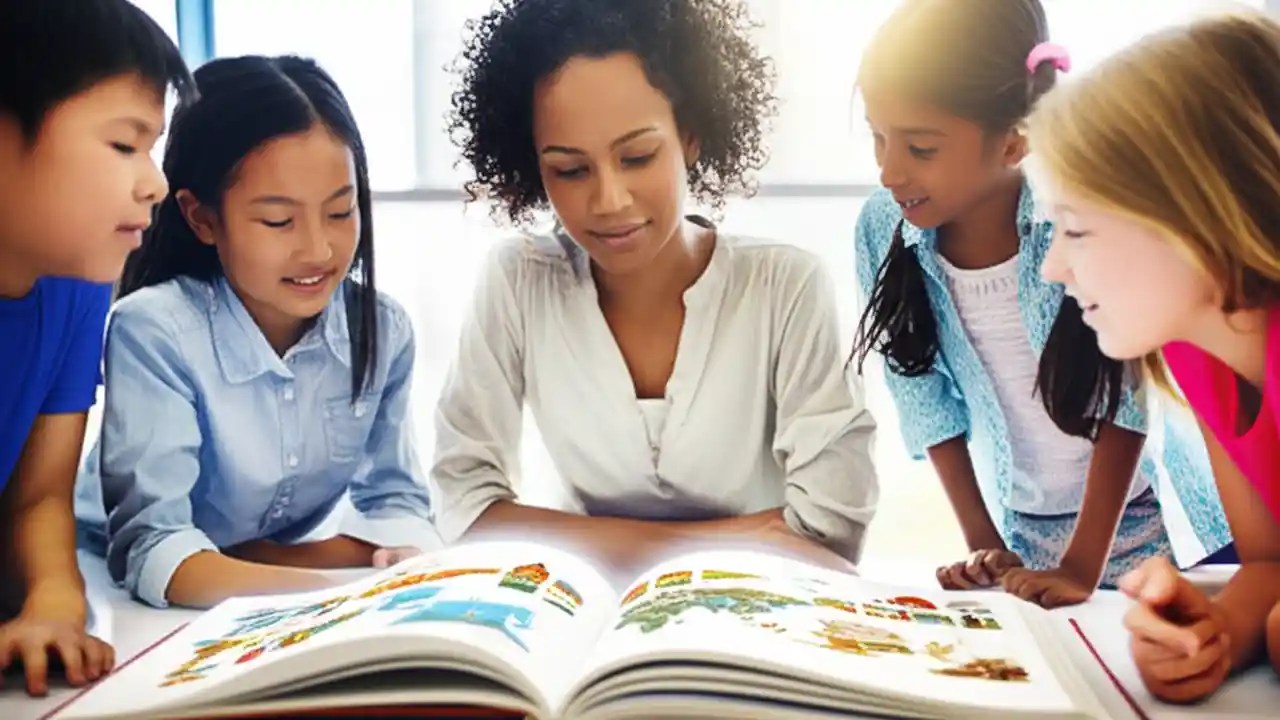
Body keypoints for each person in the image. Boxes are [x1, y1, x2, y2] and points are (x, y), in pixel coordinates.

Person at [434, 0, 878, 582]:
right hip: (584, 620)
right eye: (570, 170)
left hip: (760, 617)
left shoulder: (785, 286)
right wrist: (754, 533)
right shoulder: (518, 282)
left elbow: (832, 530)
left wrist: (569, 536)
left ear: (690, 136)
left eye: (638, 156)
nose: (609, 200)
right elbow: (463, 509)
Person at [849, 0, 1229, 609]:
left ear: (1014, 143)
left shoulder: (1075, 217)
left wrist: (1084, 563)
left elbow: (1127, 389)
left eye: (920, 148)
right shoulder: (883, 231)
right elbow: (922, 396)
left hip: (1165, 528)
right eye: (877, 136)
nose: (889, 170)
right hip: (1030, 532)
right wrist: (985, 544)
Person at [75, 55, 435, 611]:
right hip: (118, 590)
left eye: (341, 212)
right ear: (202, 218)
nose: (318, 250)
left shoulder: (382, 330)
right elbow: (156, 546)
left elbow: (395, 501)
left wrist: (403, 557)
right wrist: (339, 598)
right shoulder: (155, 331)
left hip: (262, 571)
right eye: (278, 221)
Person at [1030, 9, 1280, 703]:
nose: (1052, 267)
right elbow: (1268, 564)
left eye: (1075, 229)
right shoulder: (1199, 354)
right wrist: (1216, 631)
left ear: (1197, 220)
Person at [0, 0, 192, 695]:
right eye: (123, 145)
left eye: (153, 147)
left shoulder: (77, 287)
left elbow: (40, 500)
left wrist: (51, 608)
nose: (155, 183)